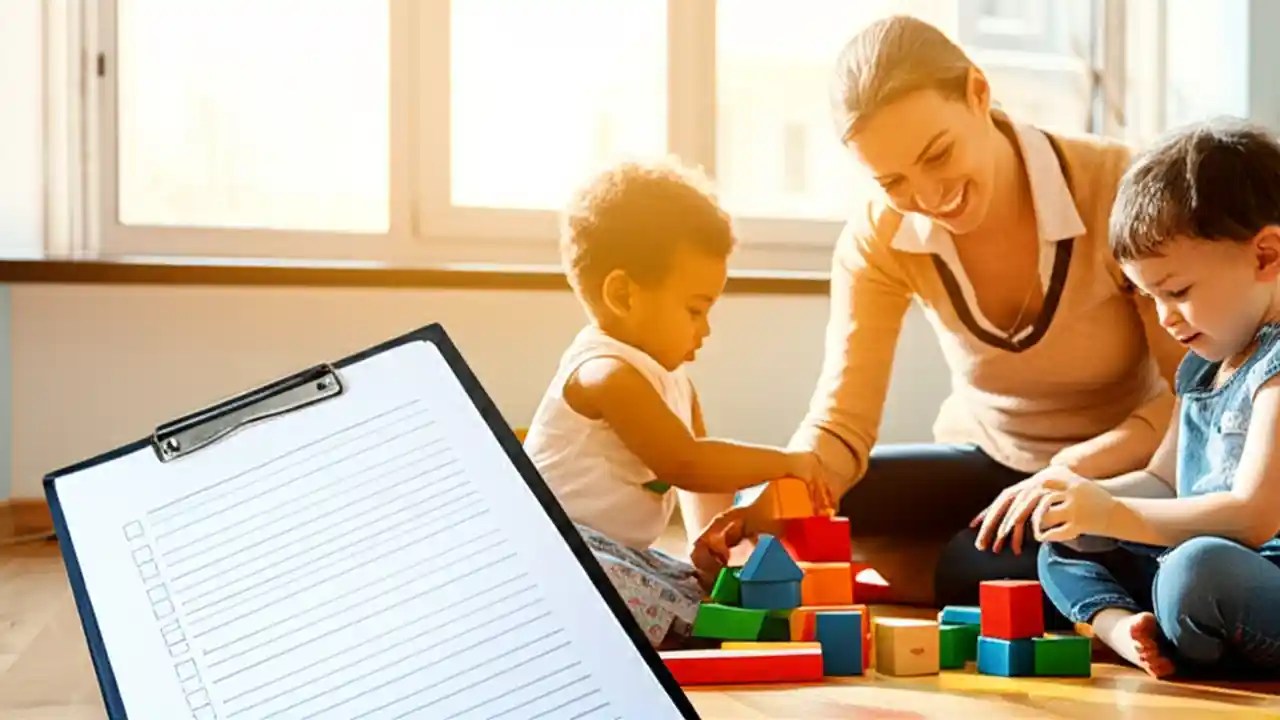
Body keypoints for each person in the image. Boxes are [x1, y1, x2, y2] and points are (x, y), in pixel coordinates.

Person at [744, 14, 1189, 609]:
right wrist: (774, 497)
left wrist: (1071, 467)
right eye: (893, 180)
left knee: (965, 566)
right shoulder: (880, 237)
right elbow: (841, 425)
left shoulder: (1116, 187)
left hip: (1114, 474)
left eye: (939, 153)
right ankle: (975, 572)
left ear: (978, 93)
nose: (928, 198)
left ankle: (958, 572)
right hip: (987, 461)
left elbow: (1192, 395)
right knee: (809, 506)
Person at [521, 159, 833, 649]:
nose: (704, 331)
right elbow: (685, 462)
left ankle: (692, 624)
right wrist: (785, 461)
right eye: (694, 310)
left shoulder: (673, 380)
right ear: (623, 293)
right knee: (620, 583)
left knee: (684, 583)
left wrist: (709, 545)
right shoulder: (607, 373)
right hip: (556, 546)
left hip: (624, 551)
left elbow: (699, 477)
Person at [1022, 118, 1280, 678]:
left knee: (1197, 569)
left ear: (1265, 255)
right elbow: (1165, 480)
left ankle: (1189, 625)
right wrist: (1087, 501)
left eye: (1178, 291)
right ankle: (1124, 630)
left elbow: (1254, 518)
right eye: (1148, 295)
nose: (1164, 317)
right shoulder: (1205, 365)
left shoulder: (1276, 371)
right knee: (1066, 545)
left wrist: (1117, 512)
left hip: (1256, 574)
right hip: (1198, 573)